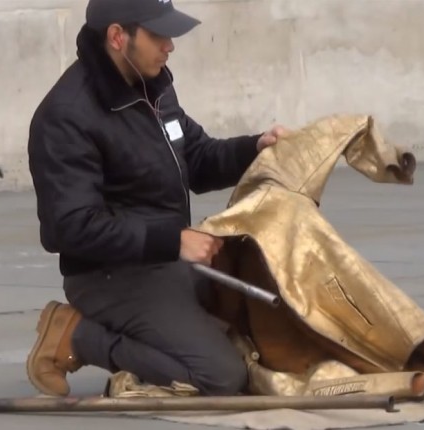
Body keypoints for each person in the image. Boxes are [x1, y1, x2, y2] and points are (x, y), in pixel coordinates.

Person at [25, 0, 287, 397]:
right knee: (222, 377)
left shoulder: (154, 87)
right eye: (158, 35)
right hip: (109, 276)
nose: (170, 46)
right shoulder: (66, 116)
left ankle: (164, 341)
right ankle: (77, 335)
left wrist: (256, 148)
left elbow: (196, 158)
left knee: (278, 324)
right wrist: (172, 240)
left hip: (169, 260)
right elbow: (70, 227)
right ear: (117, 36)